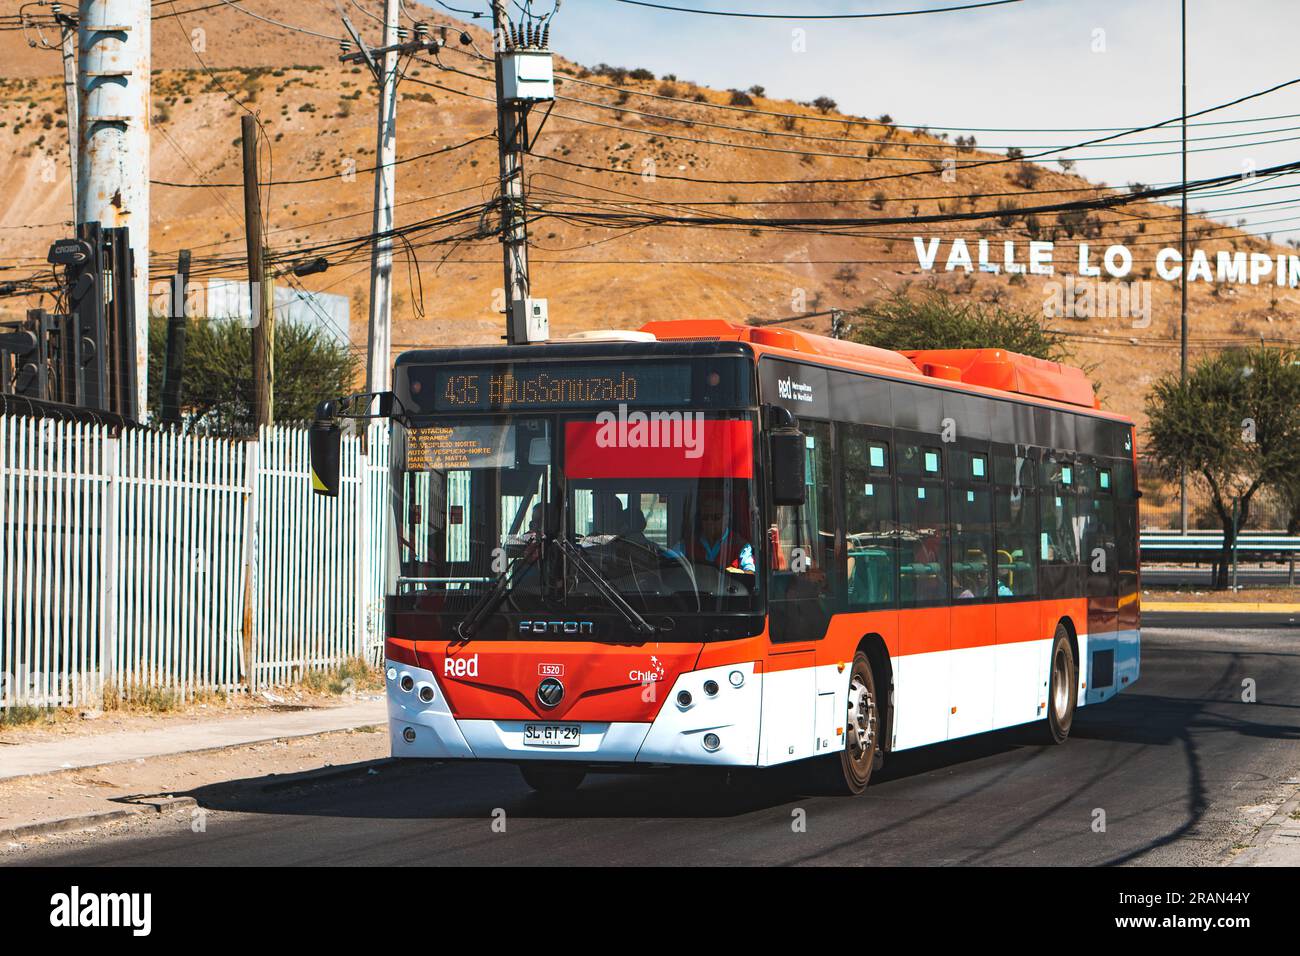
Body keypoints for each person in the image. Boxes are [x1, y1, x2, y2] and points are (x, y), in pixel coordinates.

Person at [670, 486, 756, 573]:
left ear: (727, 518)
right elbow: (667, 559)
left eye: (716, 517)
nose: (710, 522)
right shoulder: (688, 544)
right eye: (705, 517)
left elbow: (751, 573)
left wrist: (739, 573)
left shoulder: (741, 546)